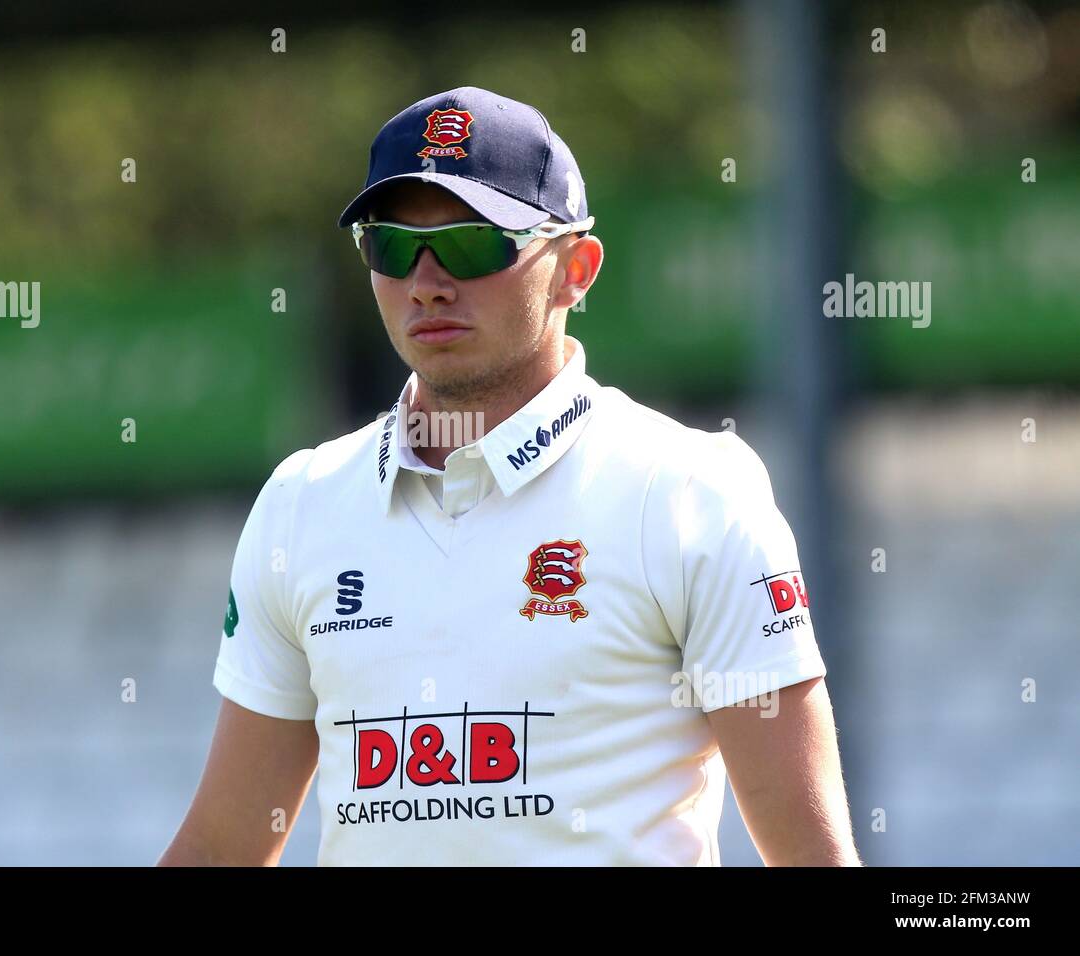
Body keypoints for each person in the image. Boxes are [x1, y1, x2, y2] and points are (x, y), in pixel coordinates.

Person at [160, 86, 860, 866]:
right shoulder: (302, 503)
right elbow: (223, 847)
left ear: (576, 269)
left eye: (471, 244)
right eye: (392, 246)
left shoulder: (690, 491)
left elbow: (810, 856)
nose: (426, 281)